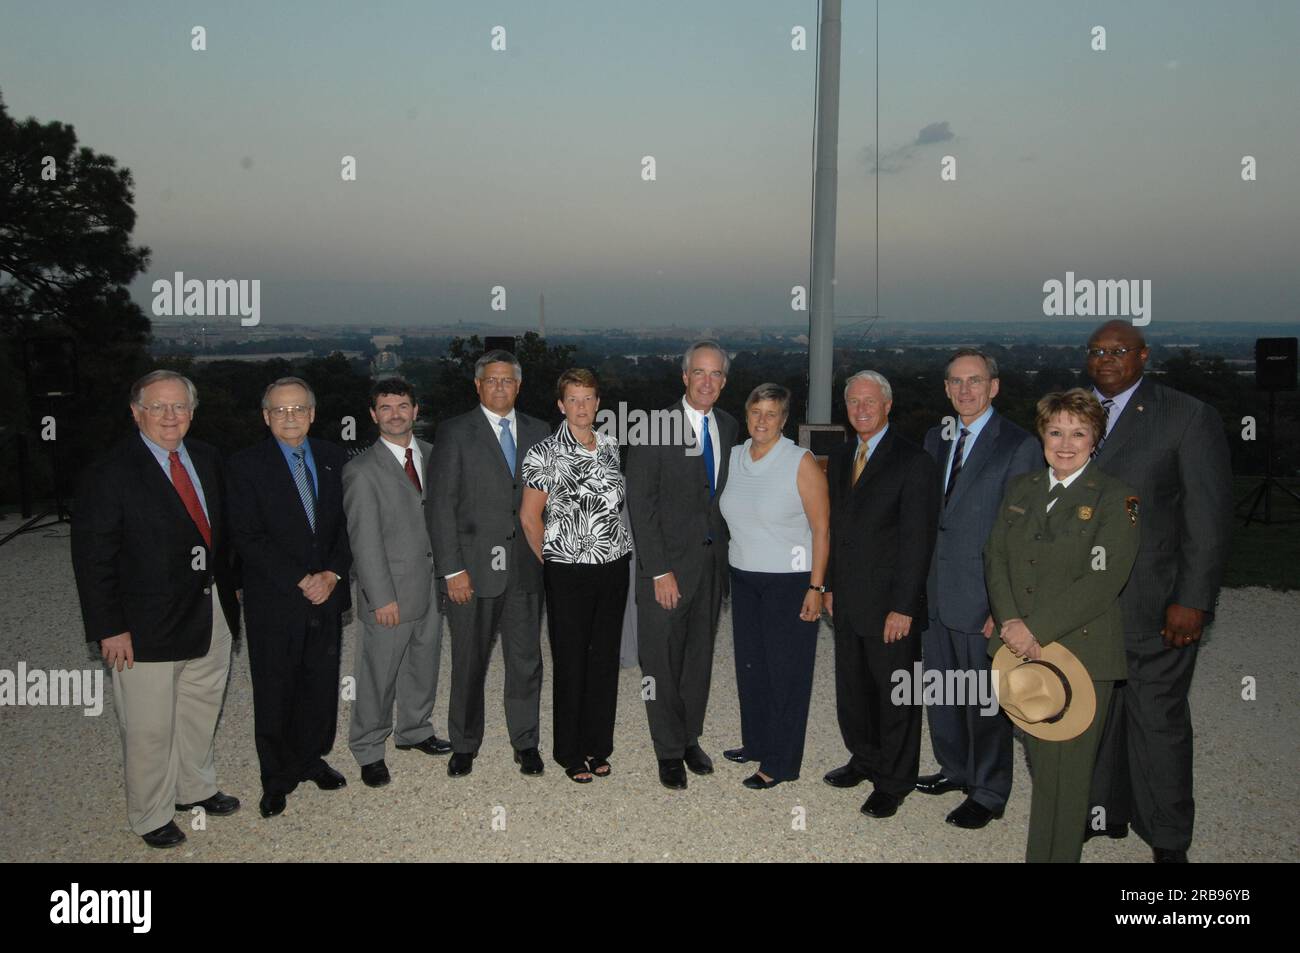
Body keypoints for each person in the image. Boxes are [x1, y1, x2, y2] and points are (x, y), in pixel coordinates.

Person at [71, 370, 242, 848]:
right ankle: (151, 814)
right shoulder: (108, 473)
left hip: (211, 613)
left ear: (192, 412)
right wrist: (109, 628)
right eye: (158, 407)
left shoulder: (208, 458)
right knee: (148, 726)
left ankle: (196, 788)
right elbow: (93, 558)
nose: (170, 416)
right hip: (143, 627)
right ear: (136, 412)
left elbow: (220, 537)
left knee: (200, 707)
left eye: (180, 407)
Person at [1082, 320, 1233, 862]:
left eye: (1118, 351)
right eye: (1097, 351)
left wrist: (1193, 600)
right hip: (1084, 606)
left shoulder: (1186, 417)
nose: (1106, 360)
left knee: (1158, 722)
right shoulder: (1073, 414)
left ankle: (1168, 839)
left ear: (1143, 356)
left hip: (1155, 603)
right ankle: (1105, 813)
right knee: (1094, 716)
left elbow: (1208, 519)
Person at [984, 388, 1140, 862]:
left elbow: (1104, 578)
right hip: (1021, 650)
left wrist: (1036, 629)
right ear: (1042, 435)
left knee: (1068, 782)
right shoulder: (1023, 488)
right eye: (1056, 432)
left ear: (1096, 438)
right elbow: (996, 556)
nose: (1066, 443)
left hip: (1079, 655)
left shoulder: (1117, 498)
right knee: (1042, 769)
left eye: (1079, 432)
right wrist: (1010, 620)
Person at [917, 349, 1040, 828]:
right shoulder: (936, 437)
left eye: (975, 381)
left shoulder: (1018, 445)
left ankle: (989, 791)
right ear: (946, 389)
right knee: (943, 690)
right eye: (956, 382)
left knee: (987, 701)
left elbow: (1022, 534)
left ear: (994, 386)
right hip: (936, 591)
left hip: (985, 597)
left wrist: (1006, 606)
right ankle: (954, 768)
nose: (965, 390)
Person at [226, 377, 353, 818]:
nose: (290, 418)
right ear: (265, 417)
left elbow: (347, 526)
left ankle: (311, 758)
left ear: (313, 414)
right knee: (275, 686)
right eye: (280, 411)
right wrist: (302, 578)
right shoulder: (244, 466)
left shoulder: (336, 459)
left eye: (298, 409)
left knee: (319, 683)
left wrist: (333, 574)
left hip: (328, 595)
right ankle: (276, 776)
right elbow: (247, 536)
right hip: (276, 598)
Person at [427, 350, 549, 778]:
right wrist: (451, 569)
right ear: (478, 386)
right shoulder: (455, 432)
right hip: (472, 571)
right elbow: (440, 505)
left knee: (526, 660)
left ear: (519, 386)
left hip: (525, 568)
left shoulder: (541, 431)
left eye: (508, 381)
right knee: (469, 661)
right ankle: (464, 743)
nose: (500, 387)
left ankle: (526, 742)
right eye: (491, 380)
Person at [824, 370, 939, 819]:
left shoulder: (914, 461)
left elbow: (917, 541)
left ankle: (894, 781)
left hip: (891, 607)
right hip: (849, 600)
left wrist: (904, 607)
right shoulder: (841, 455)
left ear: (888, 405)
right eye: (854, 402)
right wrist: (830, 586)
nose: (862, 409)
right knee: (854, 692)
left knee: (896, 698)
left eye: (870, 402)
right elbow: (837, 530)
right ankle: (865, 759)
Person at [626, 340, 740, 790]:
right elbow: (641, 503)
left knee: (698, 658)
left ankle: (690, 736)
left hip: (712, 568)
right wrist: (658, 570)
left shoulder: (730, 426)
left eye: (716, 375)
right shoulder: (653, 427)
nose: (707, 382)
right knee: (660, 661)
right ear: (684, 377)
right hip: (666, 570)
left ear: (724, 382)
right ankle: (668, 750)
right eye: (699, 373)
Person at [520, 369, 632, 782]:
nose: (582, 406)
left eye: (588, 398)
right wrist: (552, 563)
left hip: (614, 566)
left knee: (603, 661)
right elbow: (530, 518)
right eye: (574, 399)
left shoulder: (612, 446)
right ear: (560, 405)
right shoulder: (543, 453)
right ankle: (569, 751)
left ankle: (598, 746)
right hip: (566, 571)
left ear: (598, 403)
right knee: (570, 662)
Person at [717, 384, 829, 789]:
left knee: (787, 674)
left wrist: (816, 587)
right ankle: (757, 742)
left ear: (784, 420)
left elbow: (821, 528)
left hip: (790, 581)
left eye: (771, 414)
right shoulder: (734, 457)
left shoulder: (800, 462)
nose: (762, 421)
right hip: (743, 578)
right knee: (752, 669)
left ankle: (780, 763)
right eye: (756, 412)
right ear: (747, 415)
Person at [343, 378, 448, 789]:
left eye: (402, 406)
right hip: (390, 593)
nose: (395, 414)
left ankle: (414, 730)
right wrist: (379, 597)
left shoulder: (434, 457)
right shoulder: (361, 471)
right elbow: (363, 541)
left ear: (416, 410)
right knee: (377, 674)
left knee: (423, 664)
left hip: (430, 586)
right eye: (385, 408)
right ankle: (368, 748)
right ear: (373, 415)